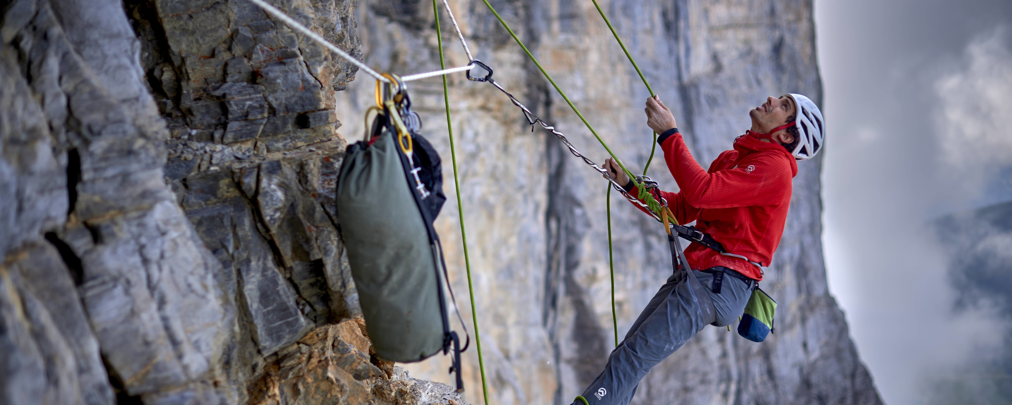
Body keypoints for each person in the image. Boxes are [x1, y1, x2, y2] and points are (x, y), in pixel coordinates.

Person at [571, 94, 825, 405]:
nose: (772, 99)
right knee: (628, 356)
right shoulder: (733, 160)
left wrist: (669, 134)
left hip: (720, 282)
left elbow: (702, 192)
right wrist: (630, 186)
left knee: (633, 358)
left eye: (784, 106)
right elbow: (682, 209)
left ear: (785, 135)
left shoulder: (775, 168)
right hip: (702, 275)